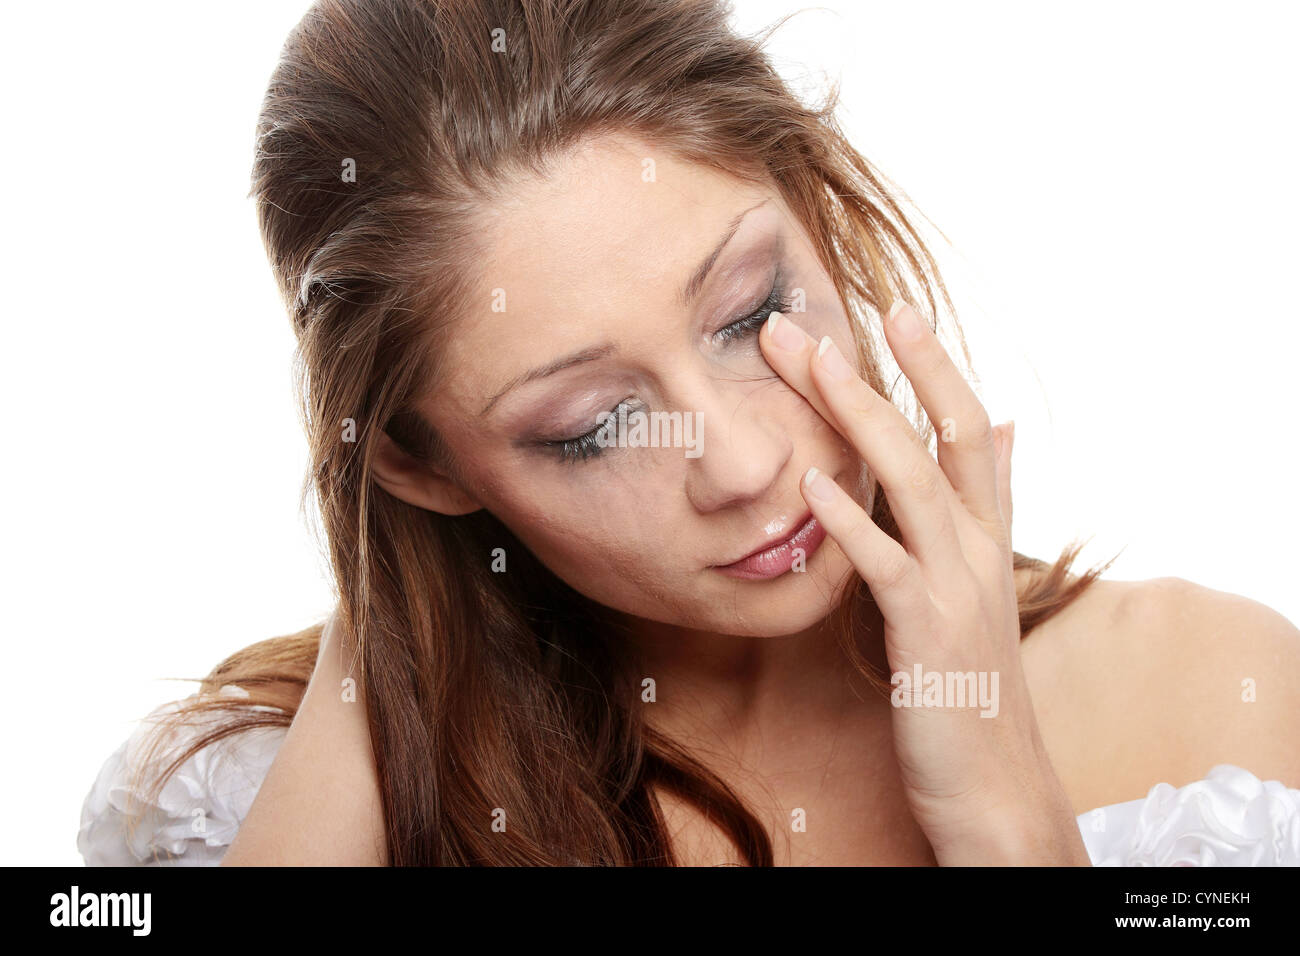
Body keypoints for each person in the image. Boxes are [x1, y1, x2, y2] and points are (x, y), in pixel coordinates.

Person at [78, 0, 1300, 866]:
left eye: (755, 312)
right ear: (420, 462)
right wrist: (387, 641)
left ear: (817, 211)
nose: (747, 463)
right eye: (593, 426)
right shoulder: (251, 794)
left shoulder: (1206, 708)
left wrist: (1008, 819)